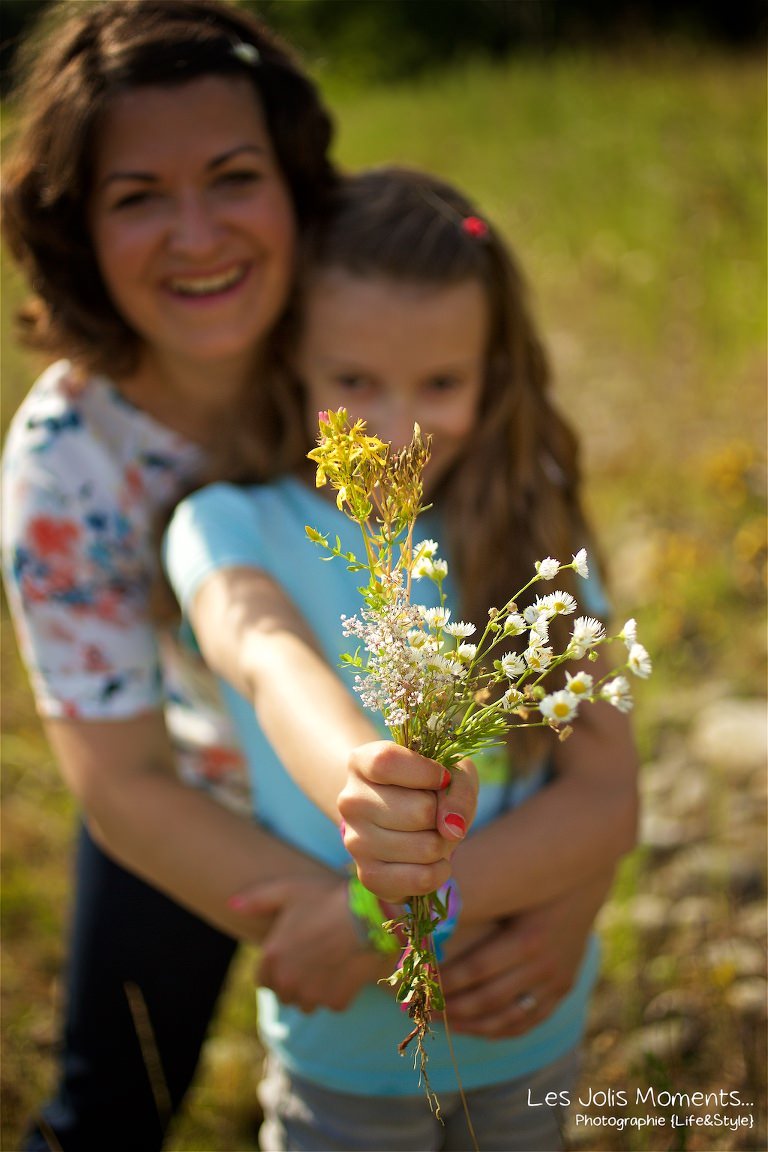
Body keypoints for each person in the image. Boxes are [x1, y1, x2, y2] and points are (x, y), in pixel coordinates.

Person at [163, 165, 639, 1151]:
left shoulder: (528, 519)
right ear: (291, 363)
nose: (395, 430)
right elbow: (266, 654)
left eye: (441, 385)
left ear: (493, 375)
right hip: (349, 1057)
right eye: (352, 384)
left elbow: (607, 797)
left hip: (528, 1024)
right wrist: (366, 784)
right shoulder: (227, 527)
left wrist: (368, 916)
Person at [0, 3, 403, 1149]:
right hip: (192, 798)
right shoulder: (67, 463)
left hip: (417, 790)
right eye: (137, 197)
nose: (196, 234)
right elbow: (122, 780)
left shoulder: (381, 353)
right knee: (109, 1112)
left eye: (234, 178)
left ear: (297, 181)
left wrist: (432, 893)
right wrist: (345, 916)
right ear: (76, 226)